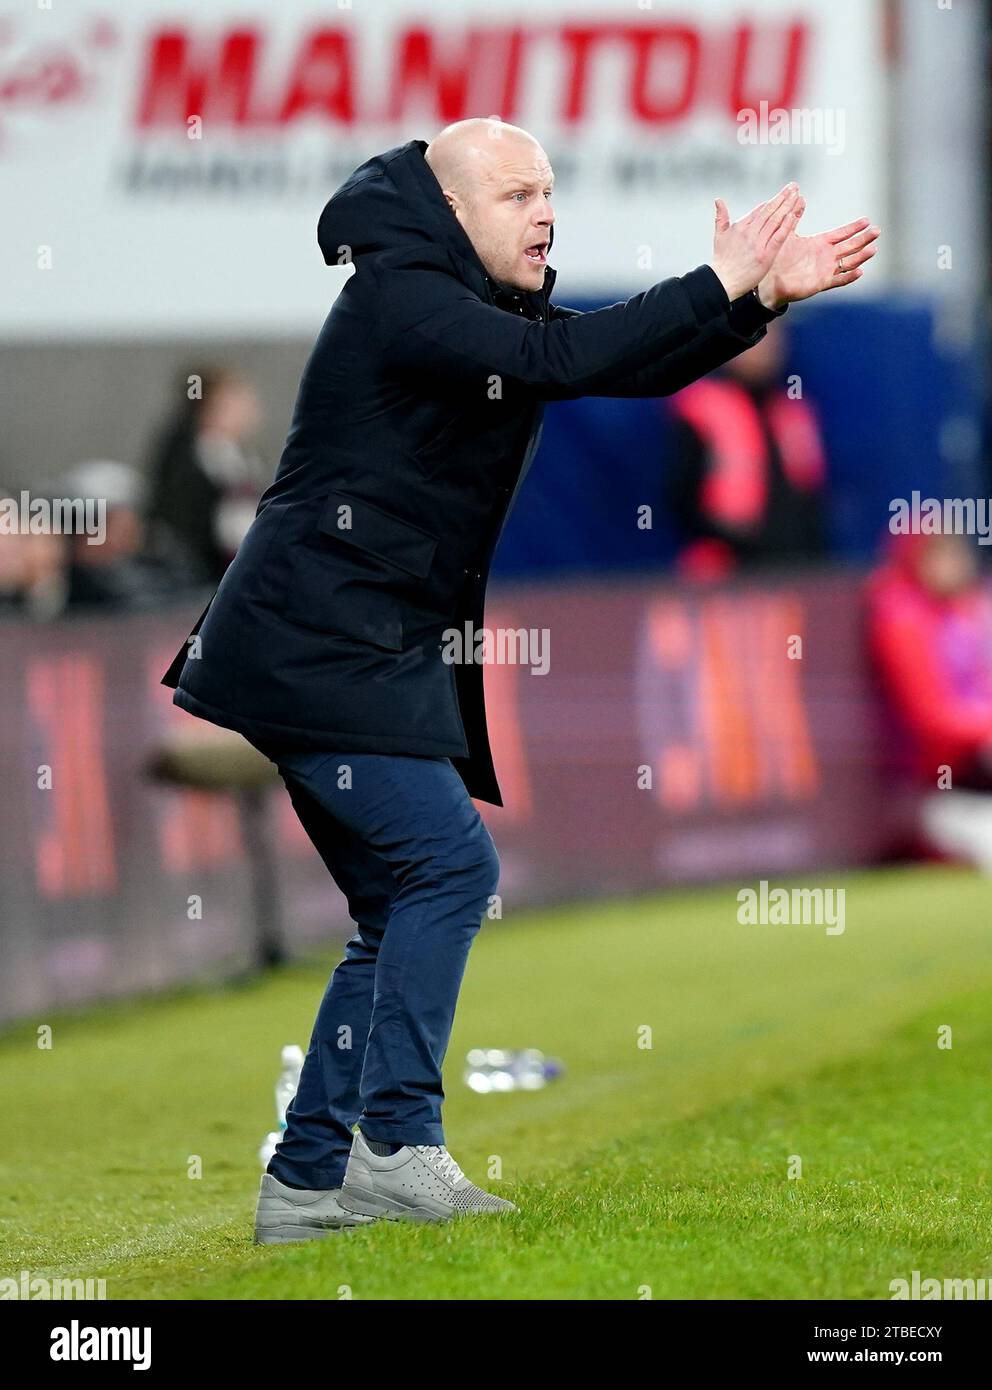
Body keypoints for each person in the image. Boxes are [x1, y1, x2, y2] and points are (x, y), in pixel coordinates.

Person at [159, 118, 879, 1239]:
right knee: (447, 867)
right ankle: (394, 1147)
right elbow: (567, 362)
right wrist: (721, 278)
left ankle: (306, 1183)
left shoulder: (468, 299)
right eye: (516, 195)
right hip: (315, 644)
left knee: (396, 903)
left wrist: (754, 304)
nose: (545, 211)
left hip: (358, 642)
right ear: (449, 212)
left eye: (549, 189)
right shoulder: (405, 295)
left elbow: (614, 363)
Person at [867, 530, 992, 868]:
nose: (952, 566)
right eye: (939, 556)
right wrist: (985, 731)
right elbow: (930, 718)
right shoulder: (901, 619)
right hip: (935, 787)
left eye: (955, 555)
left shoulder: (966, 611)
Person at [666, 320, 829, 576]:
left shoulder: (793, 411)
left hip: (795, 569)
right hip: (726, 572)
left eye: (773, 336)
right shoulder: (700, 409)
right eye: (756, 332)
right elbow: (680, 497)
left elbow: (813, 497)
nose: (764, 347)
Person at [144, 367, 266, 585]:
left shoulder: (239, 456)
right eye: (236, 402)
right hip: (203, 576)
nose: (250, 410)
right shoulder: (195, 457)